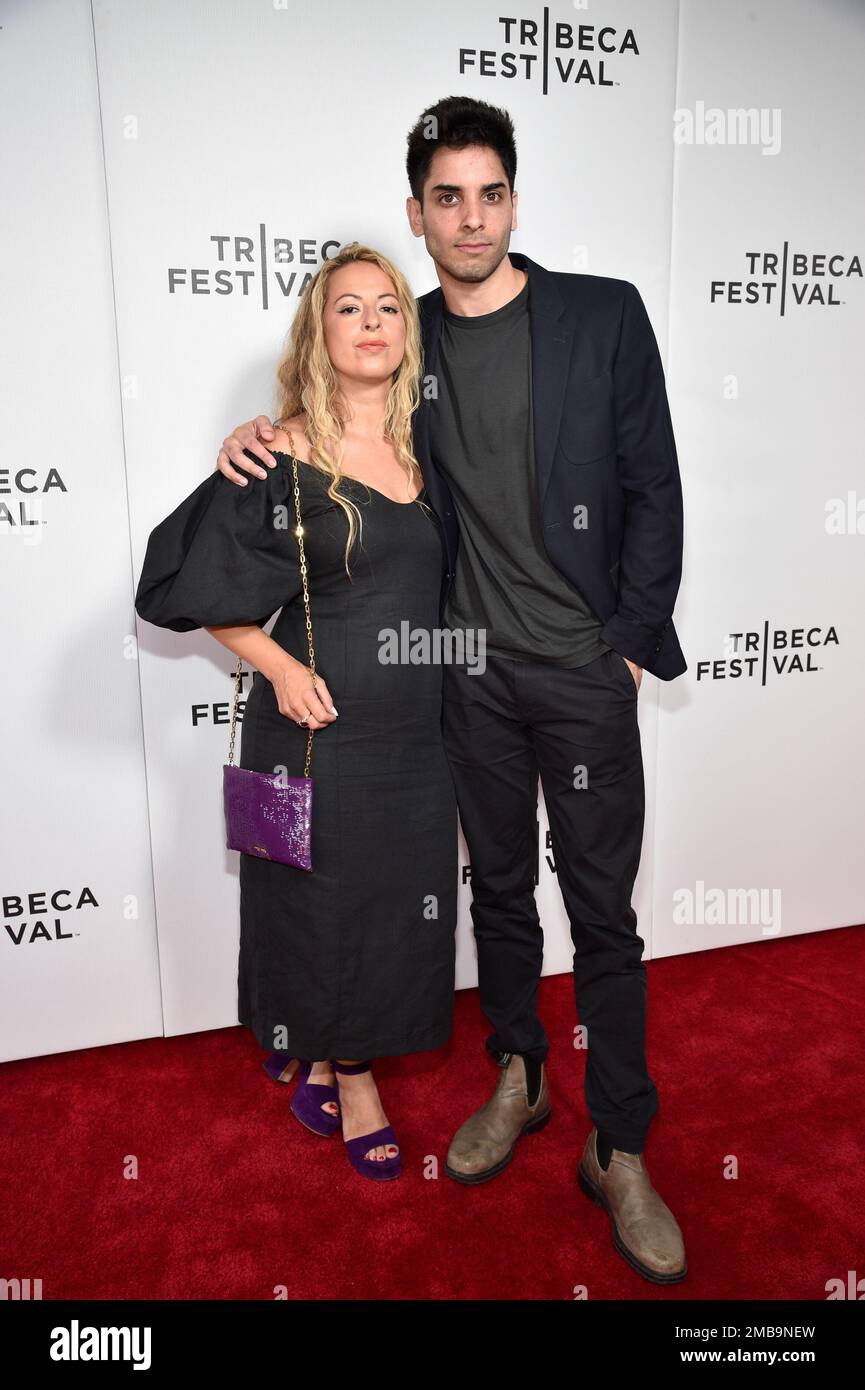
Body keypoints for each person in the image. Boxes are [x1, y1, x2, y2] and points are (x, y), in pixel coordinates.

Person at [214, 95, 688, 1281]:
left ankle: (620, 1144)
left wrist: (620, 643)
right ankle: (519, 1078)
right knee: (502, 902)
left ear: (512, 200)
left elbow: (654, 486)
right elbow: (338, 426)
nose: (470, 216)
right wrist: (252, 441)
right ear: (416, 211)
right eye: (446, 196)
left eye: (490, 192)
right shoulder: (402, 335)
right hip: (461, 682)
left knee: (609, 917)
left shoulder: (602, 315)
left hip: (579, 675)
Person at [134, 243, 459, 1183]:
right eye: (347, 307)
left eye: (388, 306)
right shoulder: (281, 450)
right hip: (314, 725)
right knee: (320, 906)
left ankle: (316, 1045)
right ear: (320, 332)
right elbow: (180, 583)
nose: (369, 322)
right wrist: (273, 663)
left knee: (393, 910)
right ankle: (349, 1075)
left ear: (409, 329)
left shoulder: (430, 452)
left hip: (416, 729)